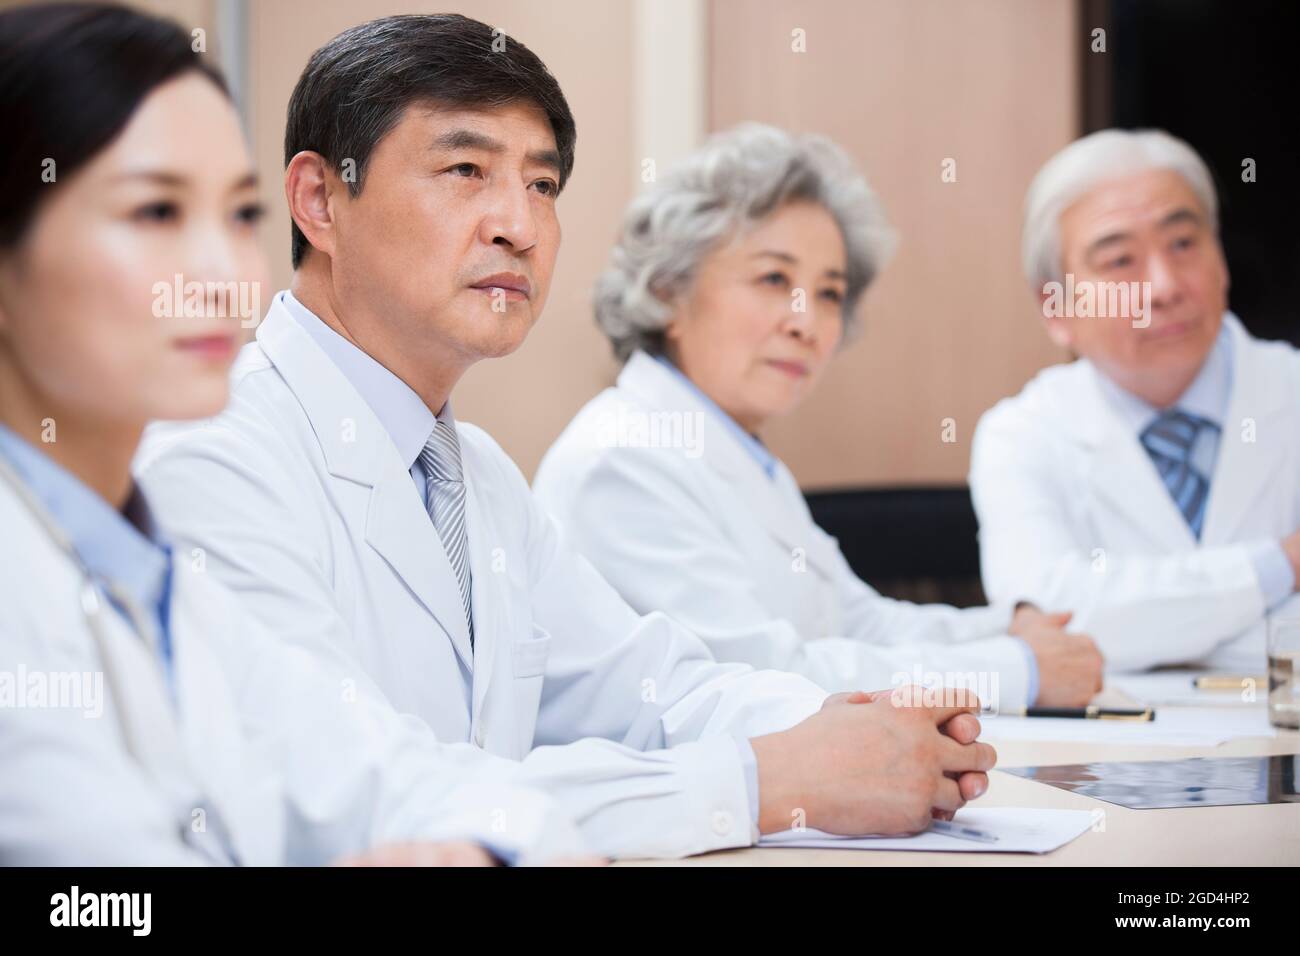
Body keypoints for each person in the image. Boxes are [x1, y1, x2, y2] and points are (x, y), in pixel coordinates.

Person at [137, 14, 996, 859]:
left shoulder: (477, 474)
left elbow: (655, 689)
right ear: (320, 201)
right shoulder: (214, 458)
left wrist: (865, 727)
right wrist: (760, 779)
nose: (519, 223)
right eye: (466, 169)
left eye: (542, 185)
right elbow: (350, 797)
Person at [0, 1, 589, 866]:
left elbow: (391, 777)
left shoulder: (159, 583)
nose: (219, 271)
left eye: (238, 218)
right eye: (156, 212)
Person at [534, 123, 1103, 713]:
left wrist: (1014, 632)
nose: (807, 322)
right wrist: (1017, 671)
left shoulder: (740, 454)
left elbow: (858, 622)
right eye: (774, 278)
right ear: (669, 293)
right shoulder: (622, 460)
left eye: (828, 293)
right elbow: (766, 677)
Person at [970, 129, 1300, 673]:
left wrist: (1141, 627)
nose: (1165, 286)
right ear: (1055, 309)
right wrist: (1281, 567)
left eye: (1184, 244)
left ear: (1221, 260)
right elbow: (1057, 627)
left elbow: (1092, 629)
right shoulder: (1020, 434)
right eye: (1121, 260)